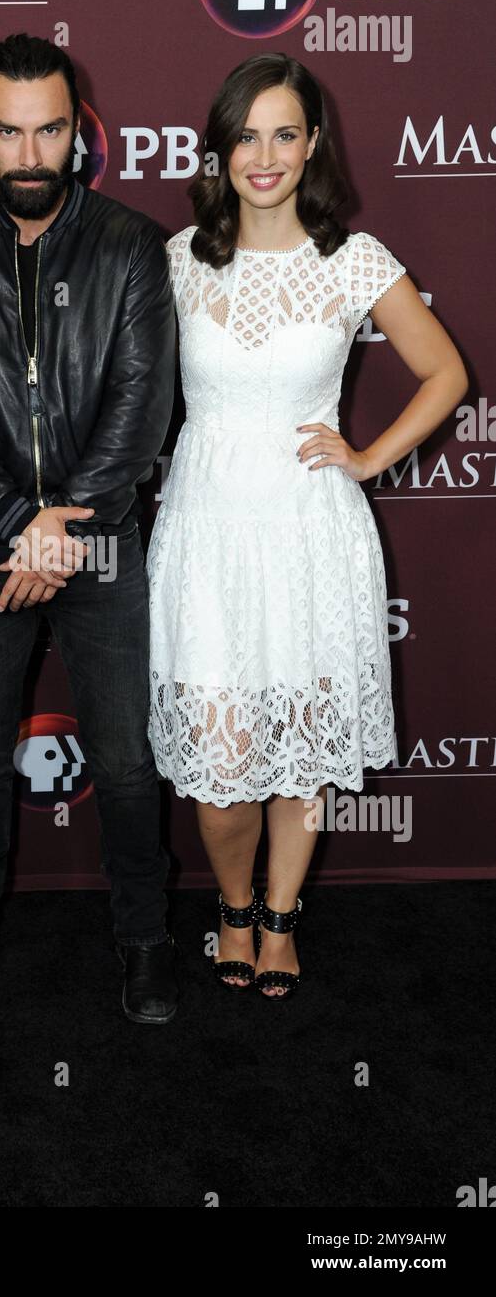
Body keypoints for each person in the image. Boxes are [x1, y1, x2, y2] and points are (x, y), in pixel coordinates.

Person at [146, 52, 468, 999]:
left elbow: (445, 374)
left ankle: (275, 917)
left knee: (299, 751)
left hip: (309, 533)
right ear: (220, 147)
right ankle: (231, 901)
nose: (263, 155)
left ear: (313, 145)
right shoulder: (175, 259)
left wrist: (367, 459)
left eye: (284, 134)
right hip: (204, 532)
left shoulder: (352, 260)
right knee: (220, 774)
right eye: (245, 134)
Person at [0, 33, 178, 1023]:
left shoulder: (131, 244)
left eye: (48, 129)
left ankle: (144, 938)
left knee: (124, 755)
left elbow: (143, 406)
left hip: (99, 535)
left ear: (77, 131)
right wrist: (22, 521)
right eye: (8, 130)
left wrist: (63, 530)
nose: (28, 153)